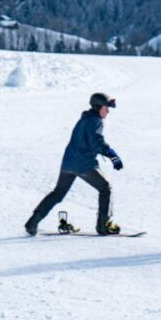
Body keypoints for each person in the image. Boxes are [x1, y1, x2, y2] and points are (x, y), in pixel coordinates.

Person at [24, 93, 124, 236]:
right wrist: (112, 155)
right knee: (105, 188)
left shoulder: (84, 119)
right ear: (98, 107)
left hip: (68, 163)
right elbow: (96, 141)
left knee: (58, 193)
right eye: (106, 107)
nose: (108, 111)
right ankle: (103, 225)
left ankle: (32, 222)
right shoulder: (95, 121)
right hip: (83, 164)